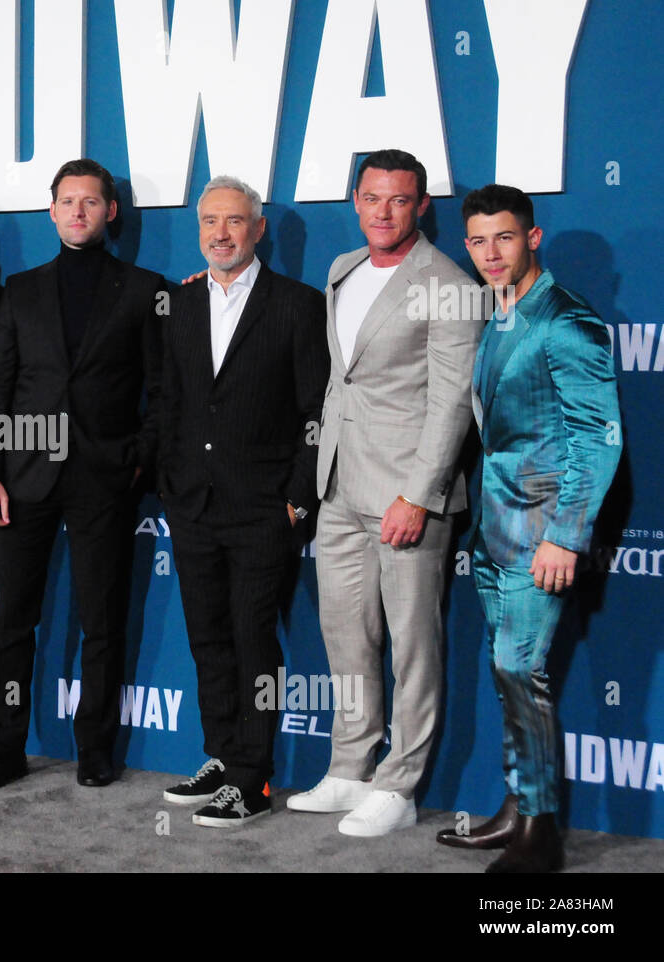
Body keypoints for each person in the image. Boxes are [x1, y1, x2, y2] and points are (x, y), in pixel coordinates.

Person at [287, 149, 482, 835]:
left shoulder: (449, 283)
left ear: (421, 205)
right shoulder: (342, 269)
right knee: (346, 636)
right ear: (356, 199)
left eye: (399, 200)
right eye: (372, 198)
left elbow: (453, 401)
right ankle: (348, 766)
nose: (383, 211)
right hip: (338, 485)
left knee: (413, 644)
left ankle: (399, 786)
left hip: (406, 493)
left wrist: (419, 495)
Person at [435, 184, 619, 872]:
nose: (490, 252)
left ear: (532, 238)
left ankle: (539, 832)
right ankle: (517, 810)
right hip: (495, 529)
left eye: (504, 238)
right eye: (478, 240)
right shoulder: (500, 315)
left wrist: (566, 535)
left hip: (542, 534)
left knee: (521, 670)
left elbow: (597, 438)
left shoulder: (567, 321)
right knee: (511, 675)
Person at [0, 159, 165, 790]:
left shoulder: (144, 290)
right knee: (12, 620)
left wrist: (135, 456)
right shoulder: (20, 290)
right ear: (51, 212)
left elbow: (161, 393)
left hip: (104, 477)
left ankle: (95, 749)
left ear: (111, 212)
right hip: (22, 475)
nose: (78, 211)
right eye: (67, 201)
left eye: (91, 201)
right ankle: (6, 746)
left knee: (101, 621)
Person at [158, 176, 328, 827]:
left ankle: (254, 780)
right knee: (209, 639)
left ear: (258, 230)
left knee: (254, 640)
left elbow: (317, 411)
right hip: (194, 506)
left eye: (234, 221)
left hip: (264, 510)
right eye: (209, 221)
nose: (220, 233)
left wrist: (295, 499)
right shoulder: (177, 304)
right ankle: (223, 756)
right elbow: (169, 402)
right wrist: (171, 487)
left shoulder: (297, 305)